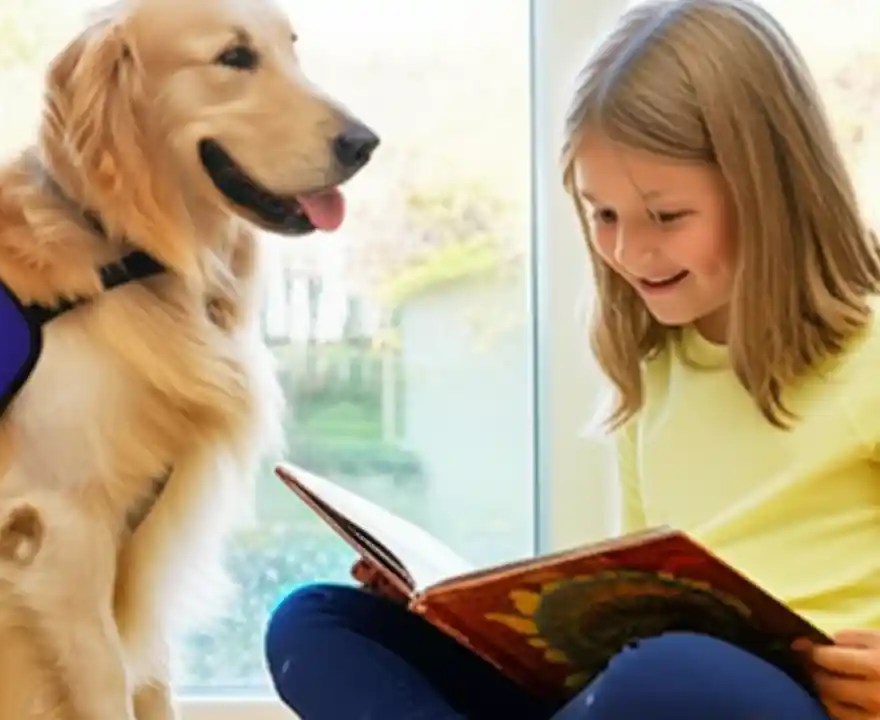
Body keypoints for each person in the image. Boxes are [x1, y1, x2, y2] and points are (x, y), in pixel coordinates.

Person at [263, 0, 880, 718]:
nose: (628, 250)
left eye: (666, 216)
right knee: (318, 622)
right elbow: (636, 611)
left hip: (782, 702)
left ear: (771, 190)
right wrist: (465, 621)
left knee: (674, 670)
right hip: (650, 693)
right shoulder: (654, 368)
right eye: (603, 214)